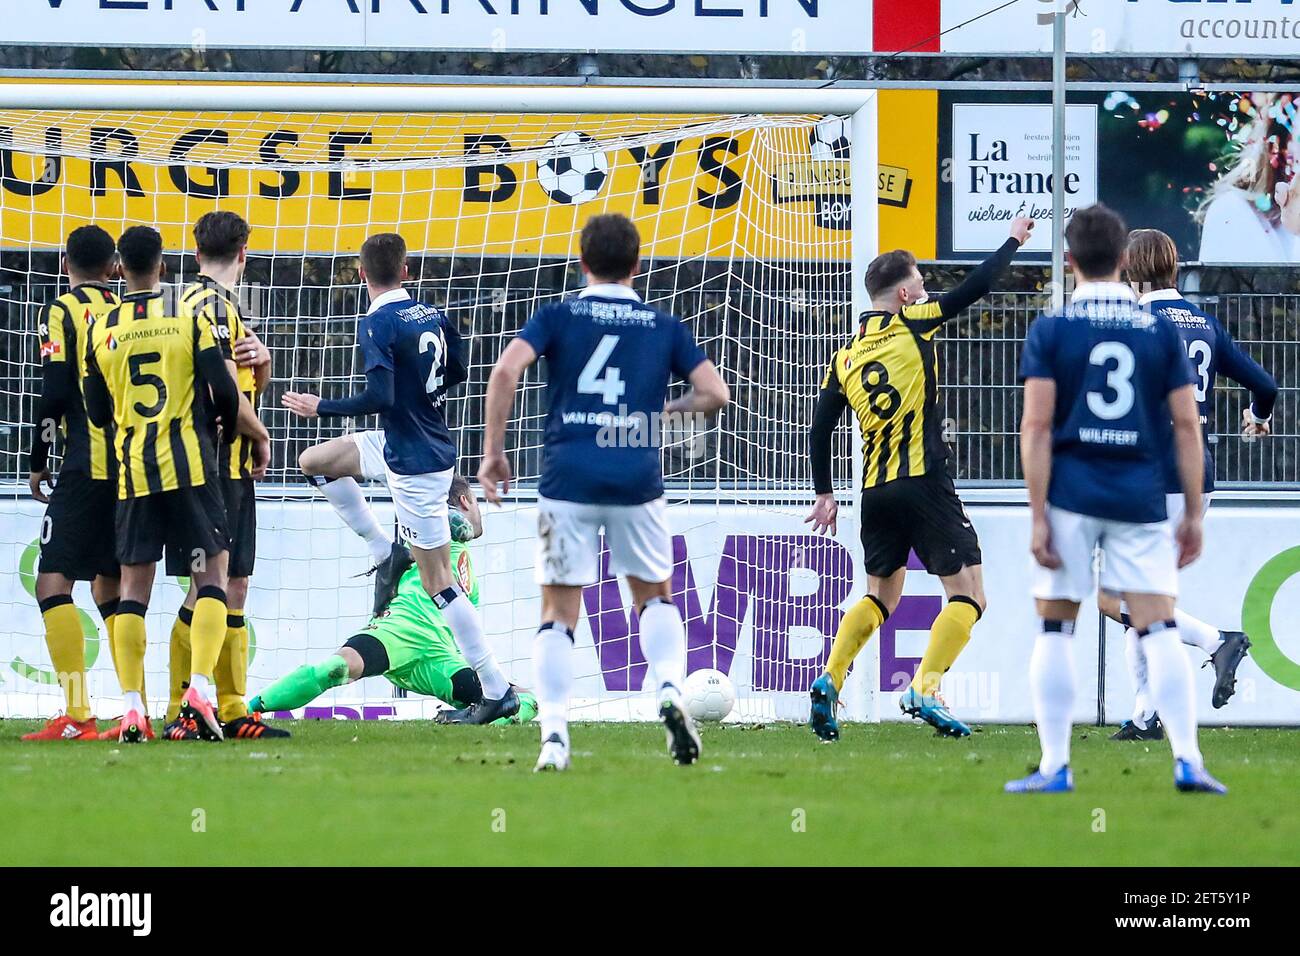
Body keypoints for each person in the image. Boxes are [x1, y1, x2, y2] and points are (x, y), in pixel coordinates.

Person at [478, 213, 730, 772]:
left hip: (567, 476)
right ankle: (667, 687)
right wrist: (670, 410)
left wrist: (495, 453)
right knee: (655, 598)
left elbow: (504, 373)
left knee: (558, 613)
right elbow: (715, 393)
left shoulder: (559, 314)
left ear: (583, 261)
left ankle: (555, 738)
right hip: (636, 478)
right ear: (637, 264)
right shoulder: (660, 324)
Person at [1010, 203, 1225, 795]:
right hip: (1139, 492)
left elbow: (1034, 427)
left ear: (1069, 259)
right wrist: (1193, 513)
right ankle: (1188, 761)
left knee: (1056, 629)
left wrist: (1036, 515)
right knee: (1157, 627)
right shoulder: (1158, 331)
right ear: (1125, 261)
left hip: (1073, 493)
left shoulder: (1052, 328)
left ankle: (1055, 767)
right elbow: (1187, 426)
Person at [805, 216, 1034, 742]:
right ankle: (926, 688)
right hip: (925, 482)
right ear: (906, 294)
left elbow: (820, 429)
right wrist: (1014, 240)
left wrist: (825, 492)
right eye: (922, 285)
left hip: (874, 490)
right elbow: (974, 288)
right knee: (971, 594)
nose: (927, 292)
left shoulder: (845, 356)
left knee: (881, 596)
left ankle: (829, 678)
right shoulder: (914, 320)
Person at [282, 233, 518, 725]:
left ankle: (496, 691)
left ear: (362, 273)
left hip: (415, 465)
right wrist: (420, 396)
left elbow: (381, 395)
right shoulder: (429, 312)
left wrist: (320, 405)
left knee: (438, 583)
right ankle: (382, 549)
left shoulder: (376, 322)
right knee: (315, 461)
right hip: (403, 441)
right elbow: (458, 368)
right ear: (406, 270)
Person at [1104, 228, 1276, 741]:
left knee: (1114, 598)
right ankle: (1144, 716)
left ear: (1132, 270)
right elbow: (1264, 384)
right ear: (1174, 267)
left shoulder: (1135, 321)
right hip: (1198, 473)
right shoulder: (1204, 322)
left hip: (1149, 472)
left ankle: (1216, 640)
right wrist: (1257, 416)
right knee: (1148, 596)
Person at [82, 225, 241, 744]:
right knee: (211, 574)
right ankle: (199, 691)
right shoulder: (189, 320)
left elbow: (98, 413)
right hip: (193, 469)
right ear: (166, 267)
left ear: (118, 269)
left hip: (135, 472)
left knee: (133, 590)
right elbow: (225, 391)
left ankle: (132, 709)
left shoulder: (100, 330)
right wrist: (212, 423)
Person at [246, 475, 537, 725]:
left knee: (520, 700)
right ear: (464, 502)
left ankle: (471, 718)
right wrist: (442, 514)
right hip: (397, 634)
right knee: (333, 669)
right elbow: (439, 523)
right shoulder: (432, 537)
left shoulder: (463, 561)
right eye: (475, 503)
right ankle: (246, 710)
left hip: (438, 657)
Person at [154, 211, 279, 742]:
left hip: (195, 463)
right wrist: (262, 435)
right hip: (217, 465)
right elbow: (221, 395)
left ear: (195, 248)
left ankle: (224, 706)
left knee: (228, 585)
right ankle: (192, 704)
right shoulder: (216, 309)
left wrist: (265, 364)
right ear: (245, 252)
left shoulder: (183, 303)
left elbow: (240, 387)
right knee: (215, 586)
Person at [22, 225, 121, 741]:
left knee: (52, 581)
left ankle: (79, 713)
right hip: (134, 465)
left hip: (85, 465)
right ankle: (136, 711)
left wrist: (38, 457)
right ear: (114, 268)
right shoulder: (131, 311)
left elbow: (55, 390)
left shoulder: (60, 310)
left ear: (65, 263)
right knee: (112, 586)